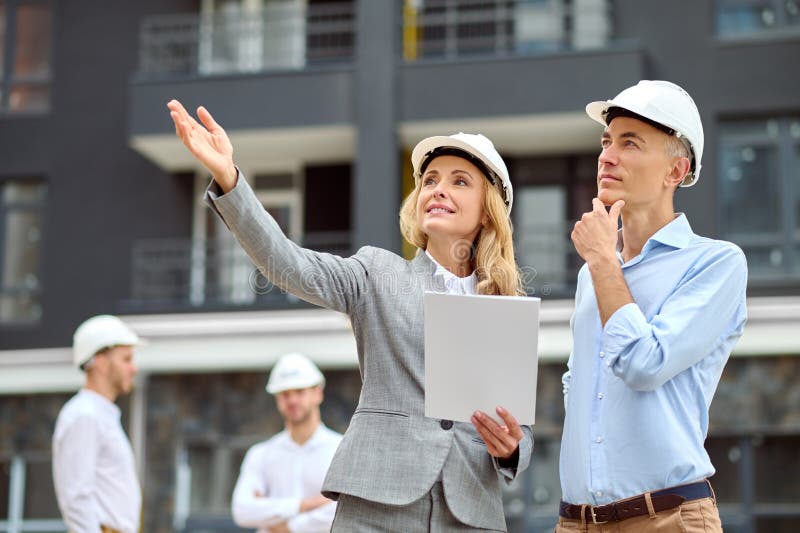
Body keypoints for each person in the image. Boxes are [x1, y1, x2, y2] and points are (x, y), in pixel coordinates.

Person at [167, 99, 534, 531]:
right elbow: (287, 262)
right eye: (430, 180)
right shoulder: (378, 273)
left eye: (459, 181)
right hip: (378, 505)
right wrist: (230, 179)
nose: (438, 189)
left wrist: (511, 447)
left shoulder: (504, 310)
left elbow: (521, 433)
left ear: (488, 208)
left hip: (470, 514)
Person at [558, 80, 748, 532]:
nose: (607, 155)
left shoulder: (716, 263)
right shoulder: (592, 273)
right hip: (576, 522)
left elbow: (645, 364)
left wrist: (604, 260)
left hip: (668, 519)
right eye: (606, 141)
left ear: (675, 171)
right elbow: (578, 384)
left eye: (630, 143)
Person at [231, 352, 342, 533]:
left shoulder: (340, 450)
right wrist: (306, 505)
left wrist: (286, 526)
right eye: (285, 394)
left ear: (317, 393)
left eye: (299, 391)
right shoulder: (261, 454)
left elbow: (343, 511)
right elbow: (242, 510)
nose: (292, 400)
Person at [52, 315, 143, 533]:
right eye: (126, 359)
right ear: (100, 362)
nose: (134, 368)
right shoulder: (85, 415)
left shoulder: (99, 415)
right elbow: (76, 497)